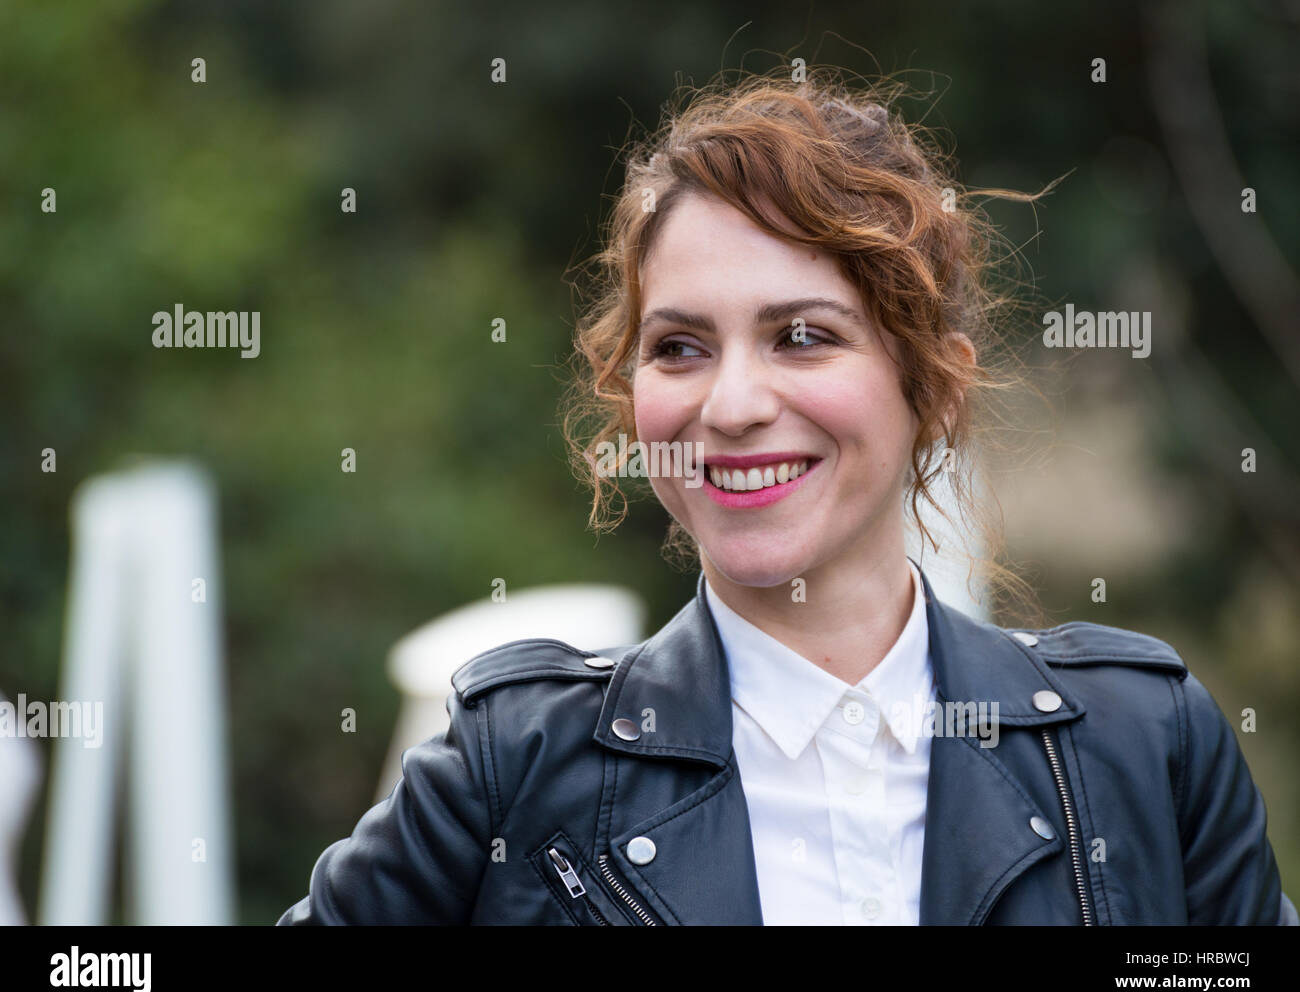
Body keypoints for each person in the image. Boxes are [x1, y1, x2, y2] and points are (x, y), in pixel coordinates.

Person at [277, 67, 1297, 926]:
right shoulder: (511, 762)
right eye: (678, 347)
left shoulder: (1142, 742)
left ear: (931, 383)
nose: (730, 403)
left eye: (801, 335)